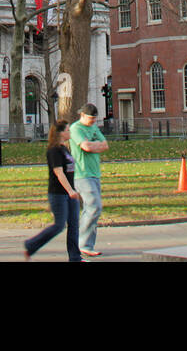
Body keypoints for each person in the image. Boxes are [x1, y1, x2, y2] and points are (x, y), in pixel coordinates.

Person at [23, 118, 82, 262]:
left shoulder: (64, 148)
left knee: (74, 225)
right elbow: (59, 172)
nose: (69, 132)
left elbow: (69, 172)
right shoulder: (54, 150)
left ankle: (75, 257)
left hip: (70, 193)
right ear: (61, 133)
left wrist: (74, 190)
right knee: (59, 225)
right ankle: (31, 245)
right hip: (58, 194)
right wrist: (70, 191)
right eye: (67, 130)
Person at [68, 102, 108, 258]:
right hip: (82, 174)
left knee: (91, 209)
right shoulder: (76, 128)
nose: (92, 122)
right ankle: (83, 244)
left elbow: (105, 145)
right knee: (94, 206)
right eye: (90, 119)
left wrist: (95, 145)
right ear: (82, 115)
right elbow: (86, 147)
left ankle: (86, 243)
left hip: (95, 173)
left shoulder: (94, 128)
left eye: (94, 119)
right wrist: (94, 145)